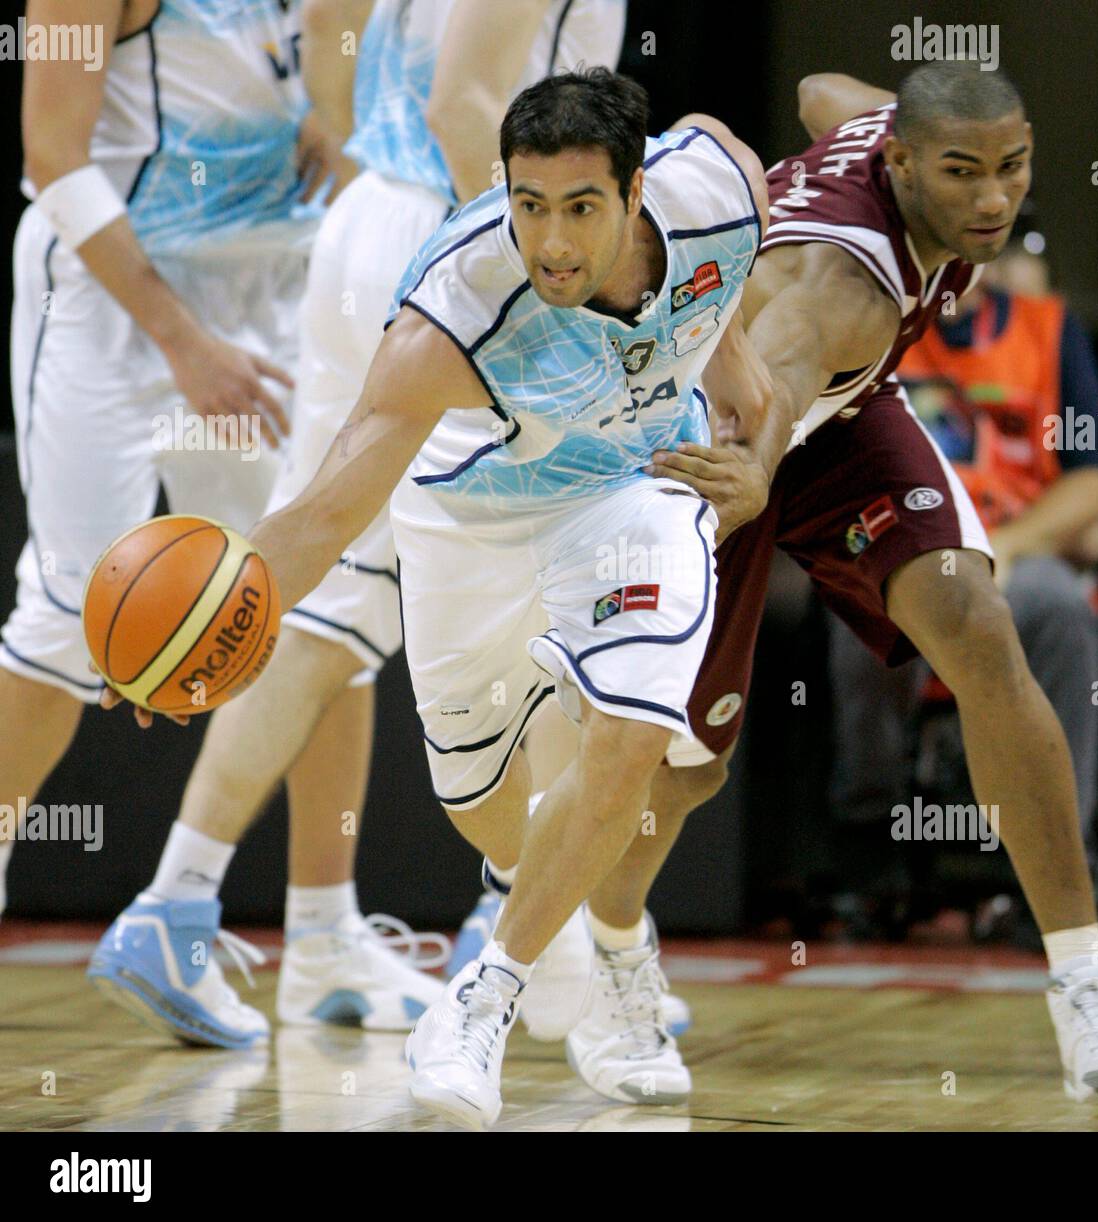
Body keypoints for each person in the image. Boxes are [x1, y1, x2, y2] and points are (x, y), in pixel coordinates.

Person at [106, 67, 770, 1129]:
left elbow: (720, 194)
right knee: (485, 810)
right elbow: (324, 513)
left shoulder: (720, 189)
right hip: (472, 508)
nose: (550, 240)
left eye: (581, 207)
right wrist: (194, 638)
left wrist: (743, 399)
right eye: (527, 205)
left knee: (635, 725)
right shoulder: (452, 313)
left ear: (638, 194)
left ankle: (481, 1001)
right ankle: (592, 933)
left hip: (632, 491)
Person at [571, 63, 1098, 1103]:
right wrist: (752, 471)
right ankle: (616, 959)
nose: (991, 198)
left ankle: (1084, 976)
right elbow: (768, 403)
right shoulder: (843, 289)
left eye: (1011, 168)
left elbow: (811, 90)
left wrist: (879, 135)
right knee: (684, 764)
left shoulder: (897, 142)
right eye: (961, 173)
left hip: (838, 414)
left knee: (979, 626)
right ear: (900, 163)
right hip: (709, 441)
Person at [89, 0, 629, 1050]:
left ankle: (183, 900)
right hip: (458, 236)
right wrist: (562, 276)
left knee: (337, 594)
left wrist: (352, 156)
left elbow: (334, 14)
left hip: (373, 219)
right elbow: (462, 100)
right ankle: (543, 931)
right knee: (561, 579)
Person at [0, 0, 342, 986]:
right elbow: (52, 156)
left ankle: (321, 939)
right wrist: (182, 342)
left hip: (266, 291)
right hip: (115, 302)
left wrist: (329, 109)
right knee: (72, 615)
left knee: (310, 605)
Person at [825, 223, 1098, 922]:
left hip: (1017, 548)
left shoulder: (1052, 331)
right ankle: (871, 845)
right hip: (900, 546)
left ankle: (1054, 864)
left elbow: (1096, 490)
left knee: (1060, 611)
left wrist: (1013, 543)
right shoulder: (874, 323)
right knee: (860, 612)